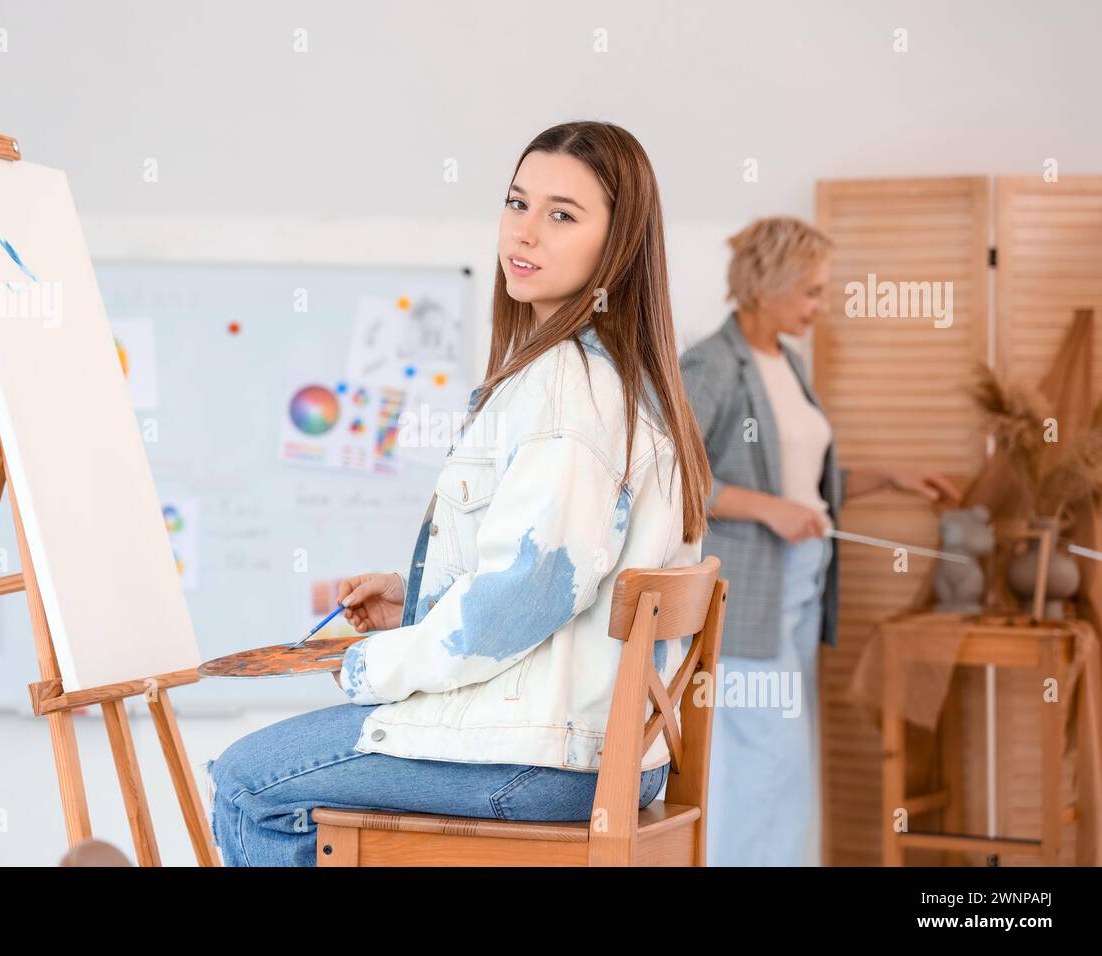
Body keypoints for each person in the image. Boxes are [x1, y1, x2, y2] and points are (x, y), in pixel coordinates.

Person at [207, 121, 713, 866]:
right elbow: (550, 572)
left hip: (543, 758)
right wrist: (415, 598)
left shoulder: (566, 390)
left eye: (562, 214)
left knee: (249, 783)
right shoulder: (620, 382)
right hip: (599, 751)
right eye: (517, 204)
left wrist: (373, 663)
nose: (526, 232)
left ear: (619, 244)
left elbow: (525, 594)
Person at [679, 216, 962, 866]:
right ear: (768, 287)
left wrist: (886, 479)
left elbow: (802, 487)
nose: (822, 306)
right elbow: (673, 481)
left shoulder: (786, 364)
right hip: (750, 602)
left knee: (783, 763)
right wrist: (769, 511)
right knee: (766, 763)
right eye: (812, 292)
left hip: (800, 593)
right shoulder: (713, 364)